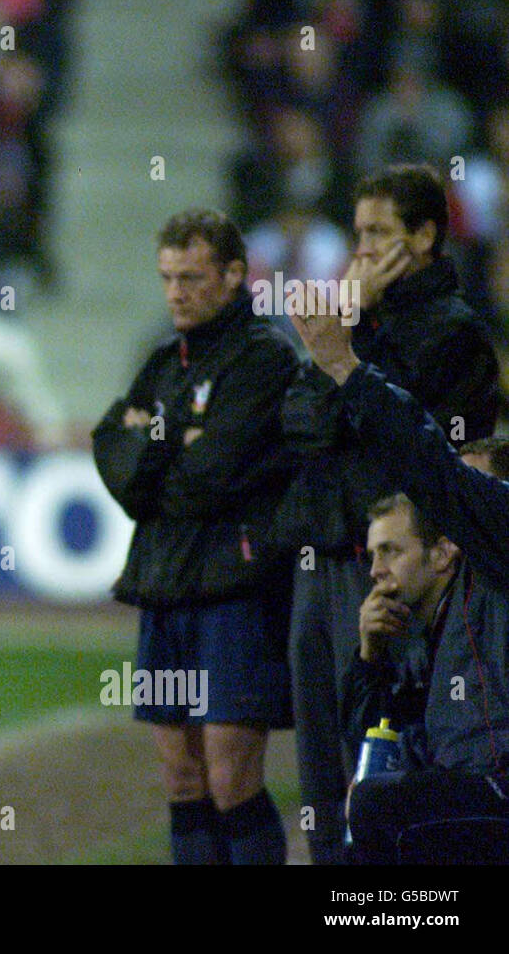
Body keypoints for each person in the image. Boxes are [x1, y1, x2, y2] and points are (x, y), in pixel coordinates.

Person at [274, 163, 500, 864]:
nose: (361, 251)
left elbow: (417, 454)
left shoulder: (455, 333)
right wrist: (346, 336)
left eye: (379, 233)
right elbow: (301, 424)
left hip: (399, 565)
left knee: (382, 746)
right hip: (323, 560)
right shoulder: (352, 328)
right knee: (318, 752)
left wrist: (350, 346)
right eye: (357, 233)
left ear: (426, 236)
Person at [93, 209, 300, 864]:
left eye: (191, 277)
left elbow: (208, 478)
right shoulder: (163, 361)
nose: (176, 292)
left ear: (234, 275)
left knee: (231, 777)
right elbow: (115, 462)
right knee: (181, 778)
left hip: (233, 589)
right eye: (167, 278)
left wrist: (150, 439)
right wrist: (169, 444)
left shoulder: (265, 359)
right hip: (163, 584)